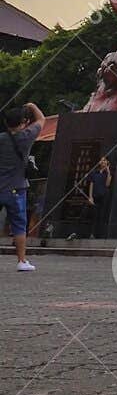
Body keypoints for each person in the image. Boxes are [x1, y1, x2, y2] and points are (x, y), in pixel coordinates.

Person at [1, 103, 45, 272]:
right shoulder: (26, 136)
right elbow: (41, 119)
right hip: (17, 189)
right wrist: (33, 106)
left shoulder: (1, 139)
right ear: (24, 122)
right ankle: (21, 261)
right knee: (19, 226)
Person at [86, 155, 112, 238]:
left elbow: (107, 184)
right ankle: (92, 234)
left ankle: (100, 235)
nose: (103, 162)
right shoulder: (94, 172)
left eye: (105, 160)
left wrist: (108, 171)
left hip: (104, 197)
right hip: (95, 196)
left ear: (108, 162)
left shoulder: (108, 173)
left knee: (101, 215)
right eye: (101, 160)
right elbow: (91, 185)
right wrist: (90, 197)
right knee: (94, 215)